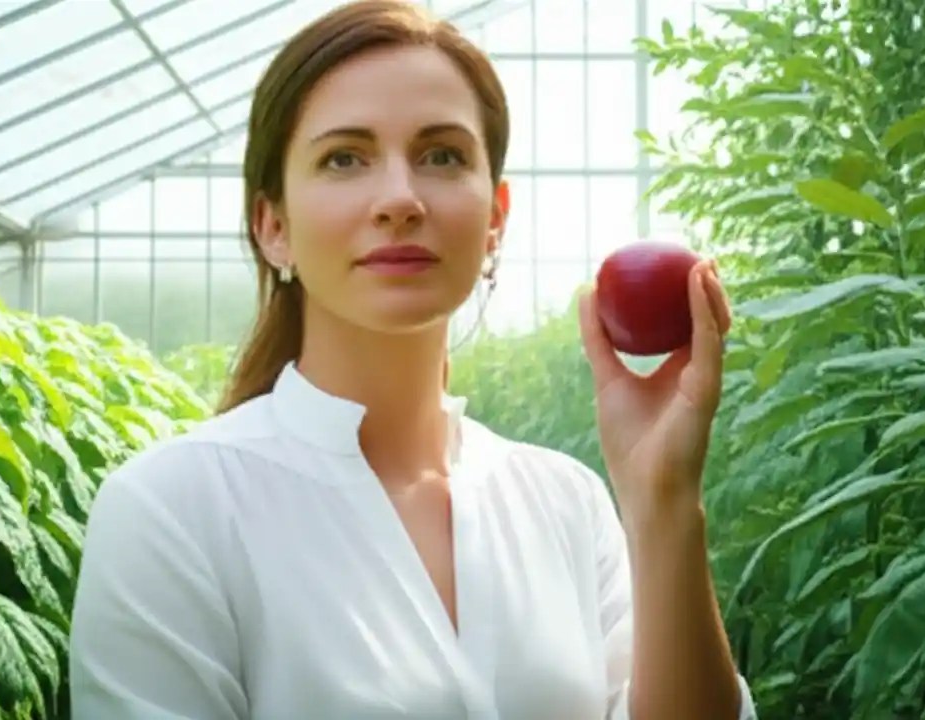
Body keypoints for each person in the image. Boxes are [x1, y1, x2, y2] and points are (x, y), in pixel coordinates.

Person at [68, 1, 758, 718]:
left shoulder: (568, 503)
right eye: (345, 158)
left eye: (441, 156)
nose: (399, 198)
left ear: (495, 220)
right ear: (274, 227)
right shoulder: (171, 509)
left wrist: (663, 504)